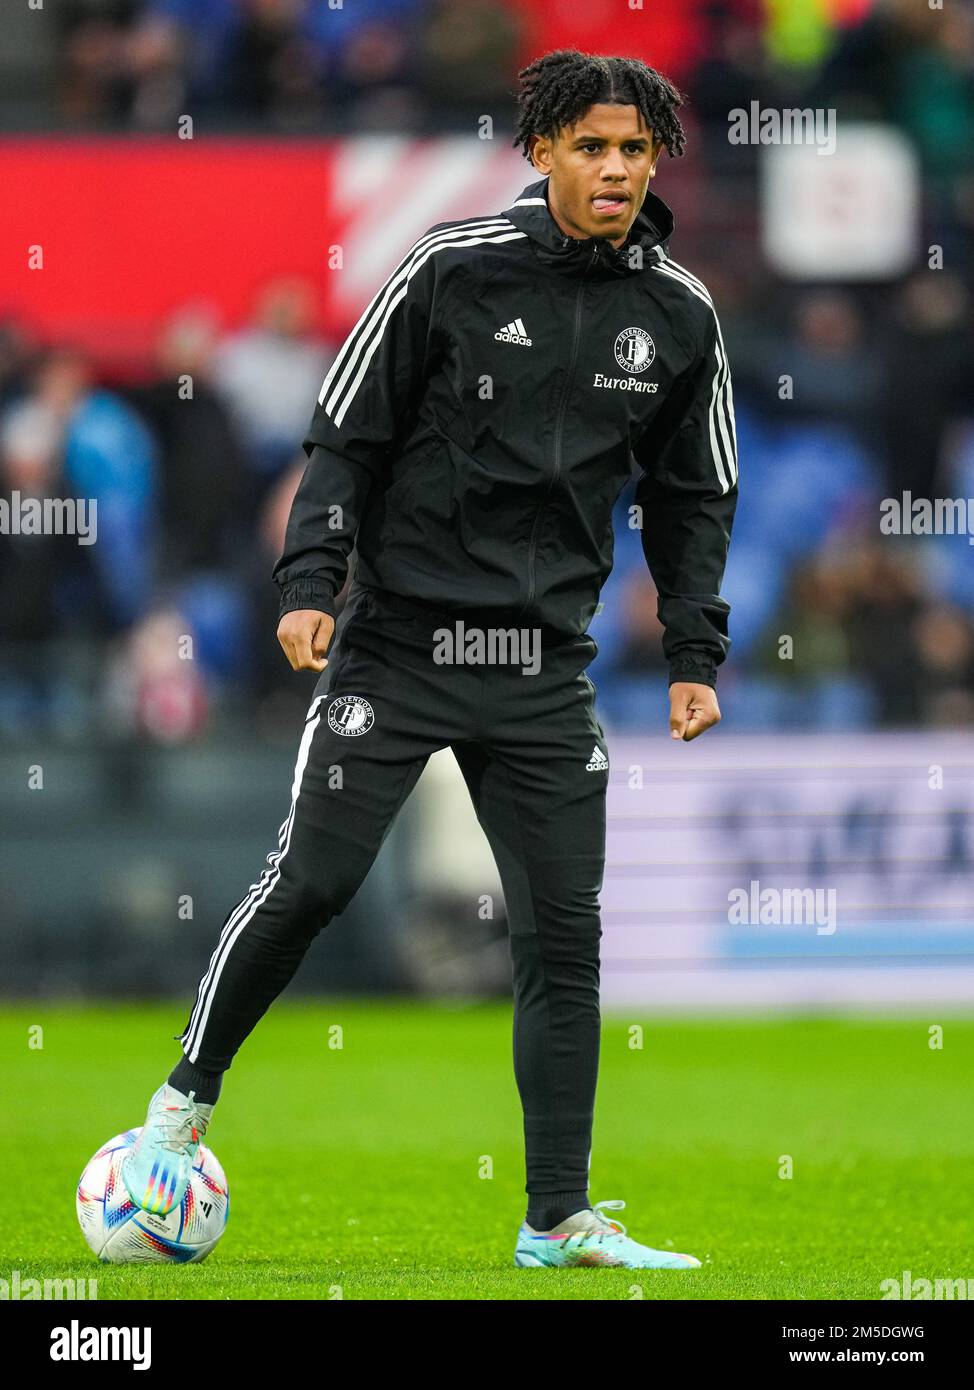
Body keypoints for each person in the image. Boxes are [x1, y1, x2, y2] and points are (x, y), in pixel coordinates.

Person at [121, 48, 738, 1270]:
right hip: (400, 645)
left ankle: (555, 1216)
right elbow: (343, 435)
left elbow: (694, 497)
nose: (615, 167)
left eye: (634, 148)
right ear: (544, 151)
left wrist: (692, 653)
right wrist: (310, 584)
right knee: (311, 885)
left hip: (543, 669)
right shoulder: (446, 270)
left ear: (652, 158)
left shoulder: (679, 313)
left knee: (563, 934)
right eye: (592, 146)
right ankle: (181, 1109)